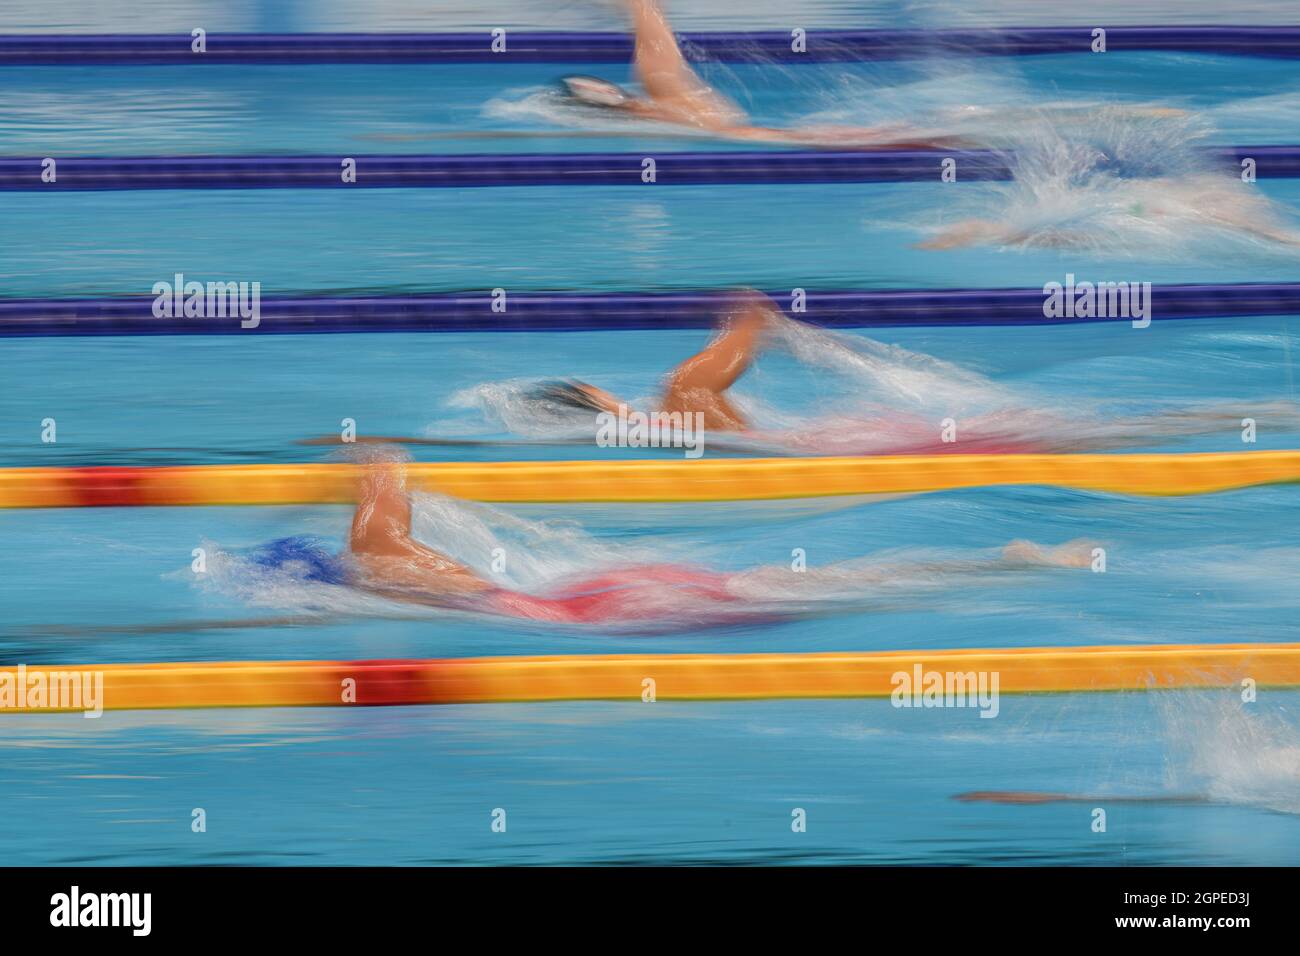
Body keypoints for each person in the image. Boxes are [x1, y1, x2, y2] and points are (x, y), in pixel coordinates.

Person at [251, 453, 1095, 630]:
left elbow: (378, 530)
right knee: (816, 585)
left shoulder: (381, 570)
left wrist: (377, 474)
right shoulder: (396, 570)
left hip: (606, 610)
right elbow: (384, 515)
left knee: (832, 591)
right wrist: (372, 470)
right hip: (602, 589)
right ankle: (998, 563)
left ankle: (999, 566)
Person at [556, 0, 974, 149]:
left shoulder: (659, 104)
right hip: (727, 127)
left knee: (649, 30)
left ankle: (912, 136)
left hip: (722, 126)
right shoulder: (657, 105)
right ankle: (914, 136)